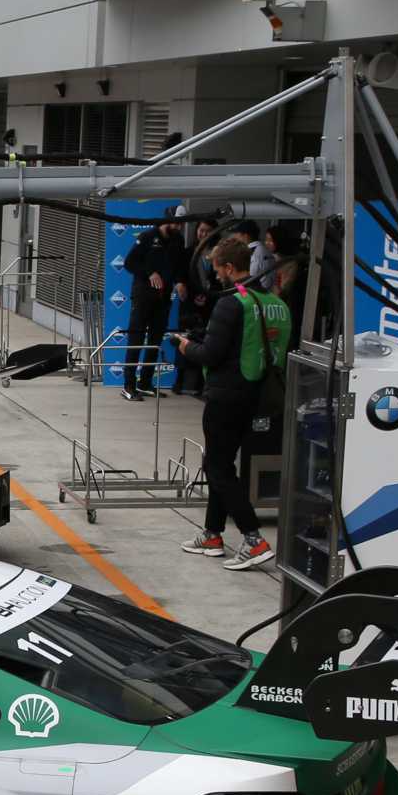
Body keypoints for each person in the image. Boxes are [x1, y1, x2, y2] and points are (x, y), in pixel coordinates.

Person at [170, 237, 287, 571]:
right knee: (221, 462)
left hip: (226, 394)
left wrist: (185, 347)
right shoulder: (272, 301)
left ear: (230, 267)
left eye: (218, 267)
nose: (216, 274)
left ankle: (253, 538)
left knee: (218, 468)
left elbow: (210, 354)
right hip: (256, 394)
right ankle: (212, 534)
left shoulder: (232, 303)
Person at [121, 214, 186, 400]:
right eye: (175, 222)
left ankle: (145, 383)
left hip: (163, 298)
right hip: (143, 296)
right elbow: (129, 262)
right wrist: (149, 273)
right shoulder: (148, 236)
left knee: (155, 341)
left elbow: (179, 266)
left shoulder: (178, 240)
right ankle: (128, 385)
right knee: (136, 340)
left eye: (181, 223)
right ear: (167, 221)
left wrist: (180, 281)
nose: (178, 227)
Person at [173, 218, 220, 397]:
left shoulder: (219, 254)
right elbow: (180, 275)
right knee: (184, 338)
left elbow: (220, 281)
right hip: (190, 304)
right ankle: (179, 380)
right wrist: (180, 284)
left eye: (208, 231)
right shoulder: (188, 252)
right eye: (201, 230)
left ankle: (202, 384)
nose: (204, 234)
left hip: (211, 303)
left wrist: (209, 296)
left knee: (207, 342)